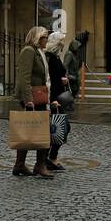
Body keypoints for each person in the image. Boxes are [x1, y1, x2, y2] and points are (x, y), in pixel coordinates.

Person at [12, 26, 58, 179]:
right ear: (38, 38)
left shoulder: (39, 53)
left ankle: (22, 165)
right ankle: (39, 165)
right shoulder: (29, 51)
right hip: (33, 97)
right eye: (45, 37)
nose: (47, 40)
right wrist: (28, 100)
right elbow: (24, 77)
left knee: (34, 131)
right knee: (39, 131)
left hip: (39, 95)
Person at [44, 31, 73, 171]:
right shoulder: (49, 57)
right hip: (53, 98)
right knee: (60, 127)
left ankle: (50, 157)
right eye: (61, 40)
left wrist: (63, 79)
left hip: (58, 96)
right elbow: (49, 79)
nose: (63, 43)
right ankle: (50, 158)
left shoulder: (56, 56)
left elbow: (57, 76)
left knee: (60, 128)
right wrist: (52, 100)